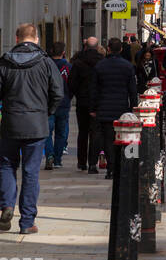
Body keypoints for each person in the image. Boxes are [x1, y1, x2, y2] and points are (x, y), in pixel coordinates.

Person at [0, 23, 64, 234]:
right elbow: (57, 93)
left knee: (7, 166)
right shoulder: (45, 62)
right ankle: (27, 222)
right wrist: (46, 112)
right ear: (36, 39)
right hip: (36, 124)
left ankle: (7, 205)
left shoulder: (5, 62)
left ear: (17, 39)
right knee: (30, 172)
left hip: (11, 123)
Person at [91, 38, 138, 178]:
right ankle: (120, 166)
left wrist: (93, 108)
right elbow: (132, 90)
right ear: (121, 50)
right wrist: (133, 108)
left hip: (104, 108)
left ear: (109, 49)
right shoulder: (128, 66)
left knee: (108, 139)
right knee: (123, 138)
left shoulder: (100, 66)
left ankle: (111, 169)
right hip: (122, 108)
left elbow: (94, 90)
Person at [68, 37, 103, 172]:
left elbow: (71, 83)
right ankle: (93, 163)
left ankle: (82, 162)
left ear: (86, 46)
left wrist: (78, 94)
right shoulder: (101, 62)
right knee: (95, 132)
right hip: (97, 102)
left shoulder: (78, 62)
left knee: (82, 132)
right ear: (97, 46)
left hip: (82, 102)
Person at [44, 42, 71, 170]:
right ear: (63, 53)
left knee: (47, 132)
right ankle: (58, 160)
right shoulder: (68, 66)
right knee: (61, 132)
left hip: (48, 103)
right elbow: (72, 85)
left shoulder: (45, 65)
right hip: (63, 103)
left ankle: (49, 155)